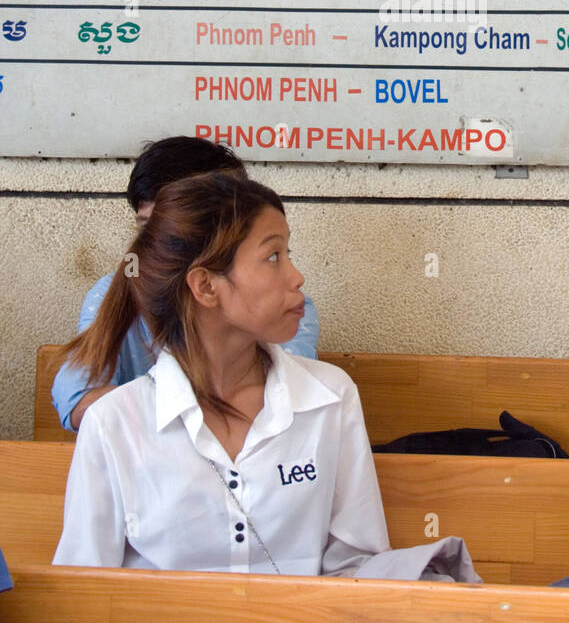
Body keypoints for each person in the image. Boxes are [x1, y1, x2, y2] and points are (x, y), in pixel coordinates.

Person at [53, 172, 477, 582]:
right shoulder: (111, 423)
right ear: (206, 286)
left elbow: (352, 566)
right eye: (273, 257)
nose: (297, 276)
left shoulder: (330, 396)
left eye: (289, 254)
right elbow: (82, 590)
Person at [51, 136, 320, 432]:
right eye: (150, 231)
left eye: (181, 233)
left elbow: (289, 402)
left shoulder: (286, 304)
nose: (163, 249)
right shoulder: (112, 295)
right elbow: (78, 400)